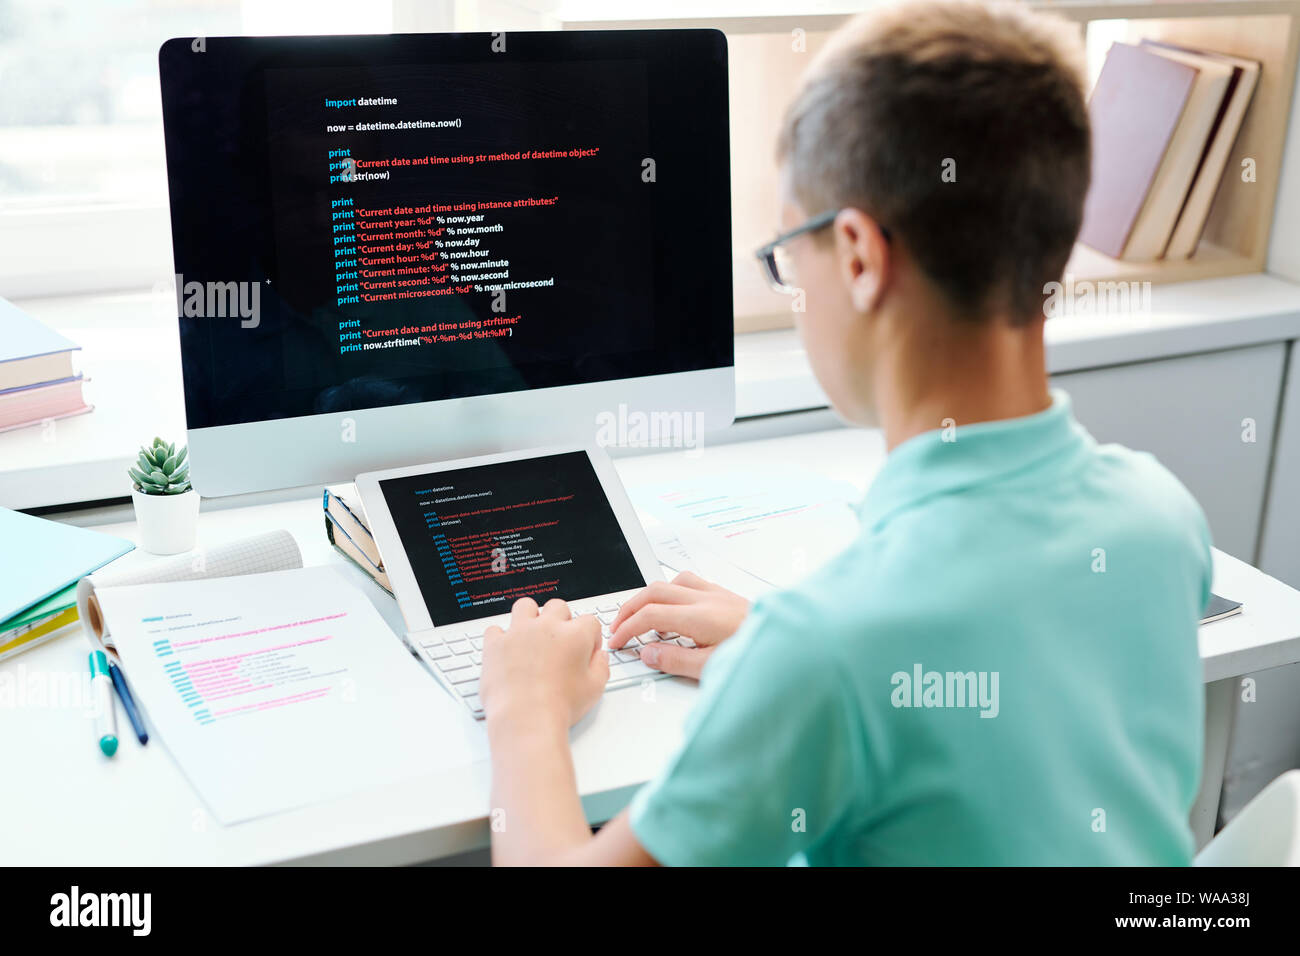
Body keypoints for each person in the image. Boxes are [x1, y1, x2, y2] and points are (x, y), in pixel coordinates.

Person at [478, 0, 1213, 866]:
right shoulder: (1161, 516)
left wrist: (526, 713)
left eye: (790, 252)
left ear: (859, 257)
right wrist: (788, 648)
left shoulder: (826, 652)